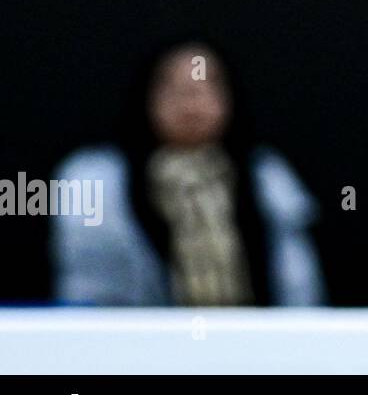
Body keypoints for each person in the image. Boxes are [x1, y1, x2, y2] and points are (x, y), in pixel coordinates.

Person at [50, 38, 326, 306]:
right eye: (174, 87)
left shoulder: (267, 179)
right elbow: (89, 293)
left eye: (206, 85)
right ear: (147, 95)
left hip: (252, 343)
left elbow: (299, 287)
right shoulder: (99, 180)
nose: (191, 100)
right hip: (141, 344)